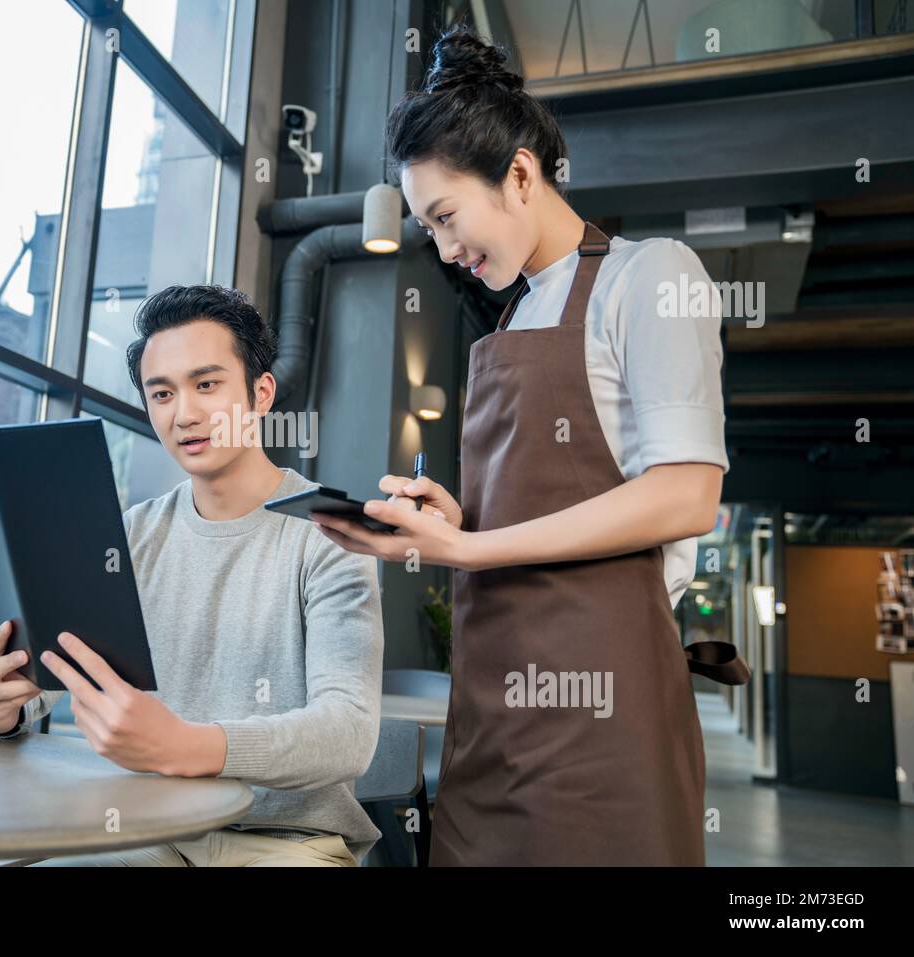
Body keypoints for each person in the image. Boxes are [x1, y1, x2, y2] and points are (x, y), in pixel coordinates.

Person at [310, 25, 747, 866]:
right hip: (489, 715)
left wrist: (470, 545)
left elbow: (685, 493)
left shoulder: (652, 275)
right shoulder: (513, 313)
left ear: (519, 173)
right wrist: (448, 522)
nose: (443, 250)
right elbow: (548, 501)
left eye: (445, 217)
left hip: (604, 718)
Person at [0, 284, 384, 866]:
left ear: (261, 394)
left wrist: (188, 746)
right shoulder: (128, 536)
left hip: (285, 842)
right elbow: (51, 682)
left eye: (206, 385)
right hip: (144, 831)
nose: (183, 413)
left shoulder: (330, 534)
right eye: (162, 393)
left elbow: (348, 733)